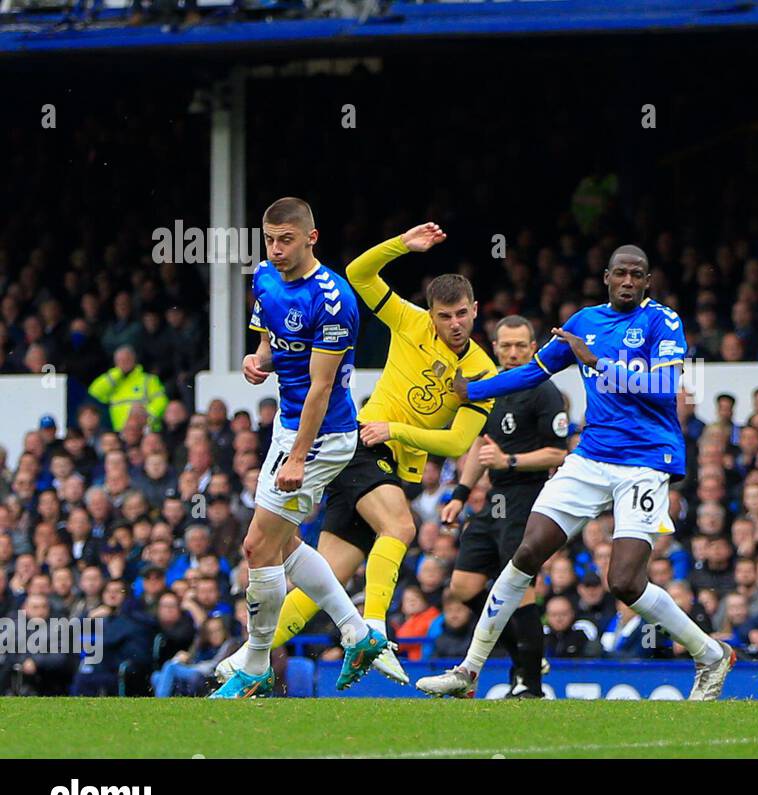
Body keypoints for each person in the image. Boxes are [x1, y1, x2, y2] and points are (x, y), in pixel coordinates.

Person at [418, 244, 737, 700]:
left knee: (624, 582)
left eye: (638, 276)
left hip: (645, 462)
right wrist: (473, 390)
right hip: (590, 458)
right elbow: (532, 372)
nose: (628, 282)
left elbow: (667, 385)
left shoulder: (661, 321)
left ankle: (709, 654)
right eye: (621, 274)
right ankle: (468, 670)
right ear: (606, 277)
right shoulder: (584, 322)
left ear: (647, 282)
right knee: (526, 552)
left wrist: (596, 361)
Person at [219, 221, 498, 688]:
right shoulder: (409, 322)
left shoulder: (482, 371)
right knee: (401, 527)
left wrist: (399, 428)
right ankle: (372, 630)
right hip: (363, 443)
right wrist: (402, 246)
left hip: (397, 463)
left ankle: (247, 660)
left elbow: (454, 444)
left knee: (323, 575)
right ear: (430, 314)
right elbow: (358, 274)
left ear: (475, 311)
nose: (454, 324)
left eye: (462, 315)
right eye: (445, 315)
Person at [210, 197, 380, 699]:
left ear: (311, 237)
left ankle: (257, 664)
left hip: (322, 436)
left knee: (256, 547)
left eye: (287, 239)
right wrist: (256, 358)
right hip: (289, 427)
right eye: (270, 239)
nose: (276, 249)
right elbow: (268, 336)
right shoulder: (264, 276)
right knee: (282, 547)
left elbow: (321, 388)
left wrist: (301, 457)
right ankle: (356, 630)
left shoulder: (333, 299)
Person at [439, 315, 568, 698]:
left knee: (519, 587)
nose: (513, 353)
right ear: (495, 347)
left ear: (533, 349)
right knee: (463, 587)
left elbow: (557, 453)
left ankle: (529, 683)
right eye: (506, 346)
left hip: (527, 498)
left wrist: (510, 461)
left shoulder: (544, 391)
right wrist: (460, 494)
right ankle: (523, 652)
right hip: (494, 498)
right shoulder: (489, 388)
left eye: (521, 346)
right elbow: (482, 447)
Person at [87, 345, 169, 432]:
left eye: (127, 359)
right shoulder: (113, 381)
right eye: (120, 360)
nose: (124, 362)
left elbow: (162, 400)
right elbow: (94, 391)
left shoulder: (148, 379)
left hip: (146, 430)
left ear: (134, 359)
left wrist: (148, 415)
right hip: (121, 432)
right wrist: (117, 373)